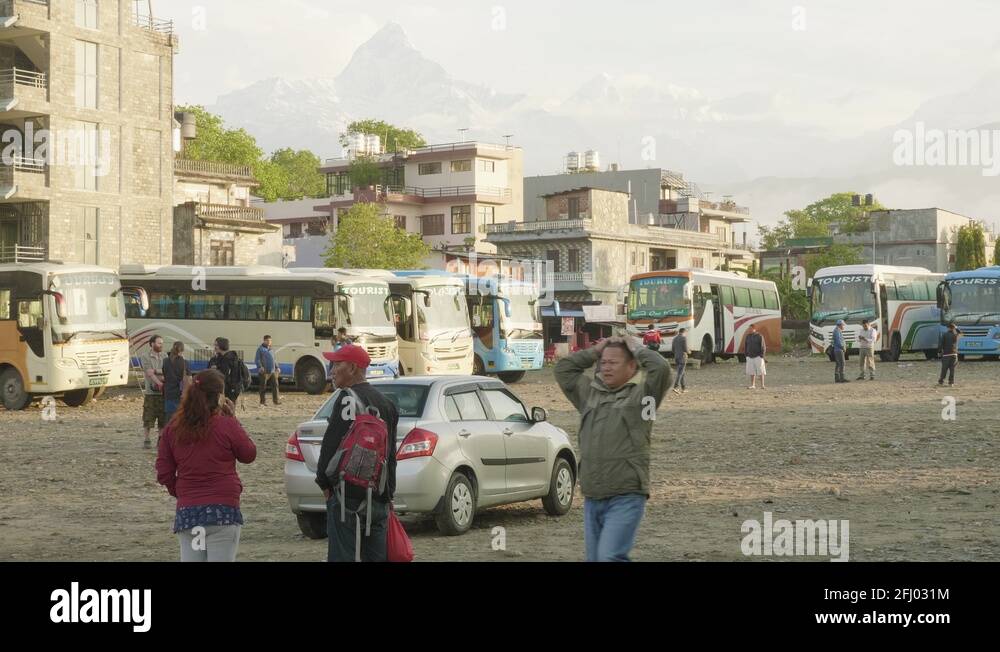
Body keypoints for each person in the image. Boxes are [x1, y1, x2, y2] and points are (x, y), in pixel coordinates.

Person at [554, 336, 671, 562]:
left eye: (613, 363)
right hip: (593, 495)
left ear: (631, 366)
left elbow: (661, 369)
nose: (606, 368)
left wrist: (637, 348)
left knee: (610, 557)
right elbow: (563, 370)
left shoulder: (644, 397)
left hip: (626, 494)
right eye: (603, 362)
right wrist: (594, 352)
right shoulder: (590, 393)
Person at [155, 369, 257, 562]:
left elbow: (164, 472)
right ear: (219, 396)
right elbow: (248, 454)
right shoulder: (226, 425)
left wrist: (181, 492)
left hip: (190, 513)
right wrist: (233, 418)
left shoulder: (173, 429)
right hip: (222, 512)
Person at [315, 344, 398, 562]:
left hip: (345, 495)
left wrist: (324, 483)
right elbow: (390, 456)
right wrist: (389, 495)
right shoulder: (387, 404)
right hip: (378, 496)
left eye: (336, 364)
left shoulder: (345, 399)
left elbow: (330, 444)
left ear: (352, 368)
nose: (332, 370)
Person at [141, 335, 166, 449]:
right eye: (159, 343)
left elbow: (165, 371)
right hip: (150, 392)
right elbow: (148, 373)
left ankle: (160, 439)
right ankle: (147, 438)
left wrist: (156, 371)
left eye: (162, 343)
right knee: (148, 416)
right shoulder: (145, 356)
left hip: (162, 393)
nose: (161, 345)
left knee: (162, 417)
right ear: (152, 344)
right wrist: (159, 382)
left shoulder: (165, 356)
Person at [208, 337, 245, 403]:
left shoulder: (228, 359)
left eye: (216, 345)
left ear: (222, 345)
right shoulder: (222, 357)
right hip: (230, 390)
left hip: (229, 391)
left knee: (228, 410)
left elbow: (225, 376)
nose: (214, 347)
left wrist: (215, 370)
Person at [162, 341, 189, 424]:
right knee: (180, 419)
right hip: (180, 394)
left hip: (168, 393)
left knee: (169, 418)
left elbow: (164, 375)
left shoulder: (165, 361)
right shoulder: (184, 362)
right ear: (182, 351)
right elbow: (188, 379)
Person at [255, 335, 280, 406]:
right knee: (263, 387)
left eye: (270, 341)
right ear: (264, 341)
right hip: (264, 372)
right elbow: (257, 359)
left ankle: (276, 401)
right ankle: (262, 402)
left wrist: (277, 367)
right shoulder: (260, 349)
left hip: (272, 371)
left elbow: (274, 360)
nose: (269, 342)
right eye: (268, 341)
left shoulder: (271, 349)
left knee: (275, 386)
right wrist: (260, 367)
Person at [938, 322, 962, 387]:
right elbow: (961, 333)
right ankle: (951, 383)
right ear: (953, 328)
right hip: (954, 355)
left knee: (944, 369)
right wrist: (956, 327)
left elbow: (941, 344)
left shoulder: (945, 335)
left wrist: (939, 352)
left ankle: (941, 382)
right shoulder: (956, 335)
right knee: (952, 369)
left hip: (946, 355)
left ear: (948, 328)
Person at [744, 323, 767, 389]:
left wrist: (761, 355)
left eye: (751, 328)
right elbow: (746, 345)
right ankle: (753, 385)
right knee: (751, 371)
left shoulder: (759, 336)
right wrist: (746, 355)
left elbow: (763, 346)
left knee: (761, 371)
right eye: (749, 329)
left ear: (754, 329)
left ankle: (762, 385)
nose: (749, 330)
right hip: (750, 356)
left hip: (758, 356)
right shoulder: (748, 336)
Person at [672, 327, 688, 394]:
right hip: (682, 357)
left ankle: (683, 388)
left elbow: (673, 349)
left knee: (682, 372)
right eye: (686, 333)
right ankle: (675, 387)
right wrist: (689, 351)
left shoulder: (674, 338)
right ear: (684, 332)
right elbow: (685, 348)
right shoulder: (684, 338)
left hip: (676, 357)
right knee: (680, 373)